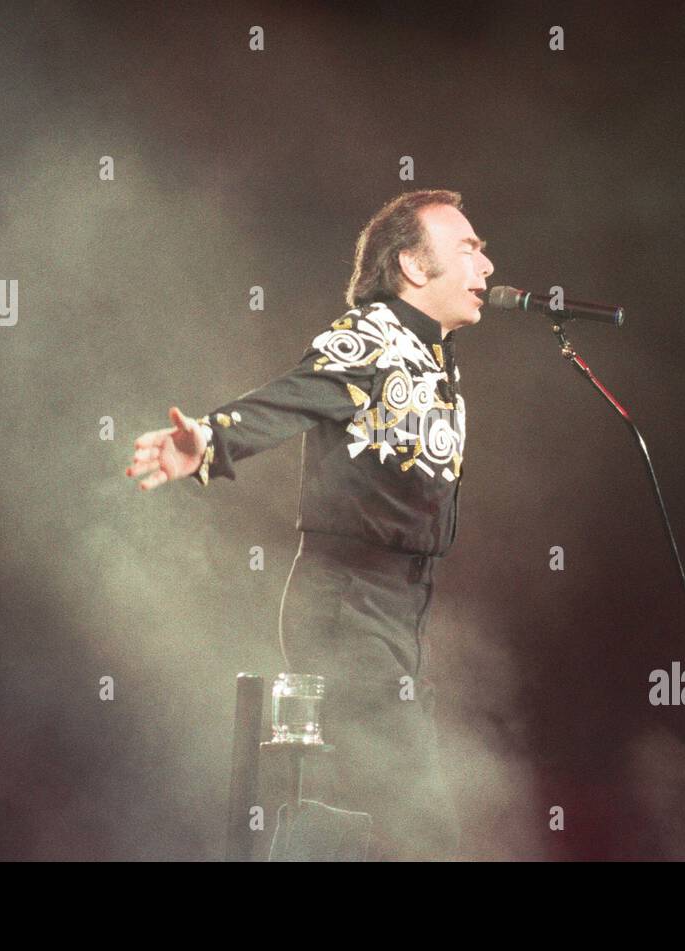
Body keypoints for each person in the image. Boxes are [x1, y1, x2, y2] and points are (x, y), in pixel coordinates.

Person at [126, 189, 494, 860]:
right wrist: (208, 440)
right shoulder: (368, 337)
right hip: (347, 602)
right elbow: (290, 396)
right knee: (424, 824)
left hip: (394, 609)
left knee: (382, 812)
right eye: (468, 248)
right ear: (413, 264)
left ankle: (301, 842)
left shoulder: (434, 355)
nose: (487, 264)